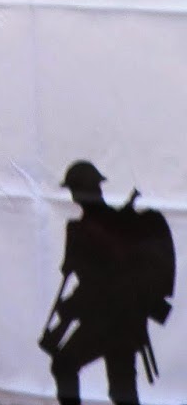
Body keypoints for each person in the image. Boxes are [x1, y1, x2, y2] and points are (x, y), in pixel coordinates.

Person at [41, 161, 173, 405]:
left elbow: (101, 280)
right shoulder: (94, 227)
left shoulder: (108, 226)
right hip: (114, 321)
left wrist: (70, 309)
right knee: (120, 389)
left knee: (67, 366)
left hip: (114, 321)